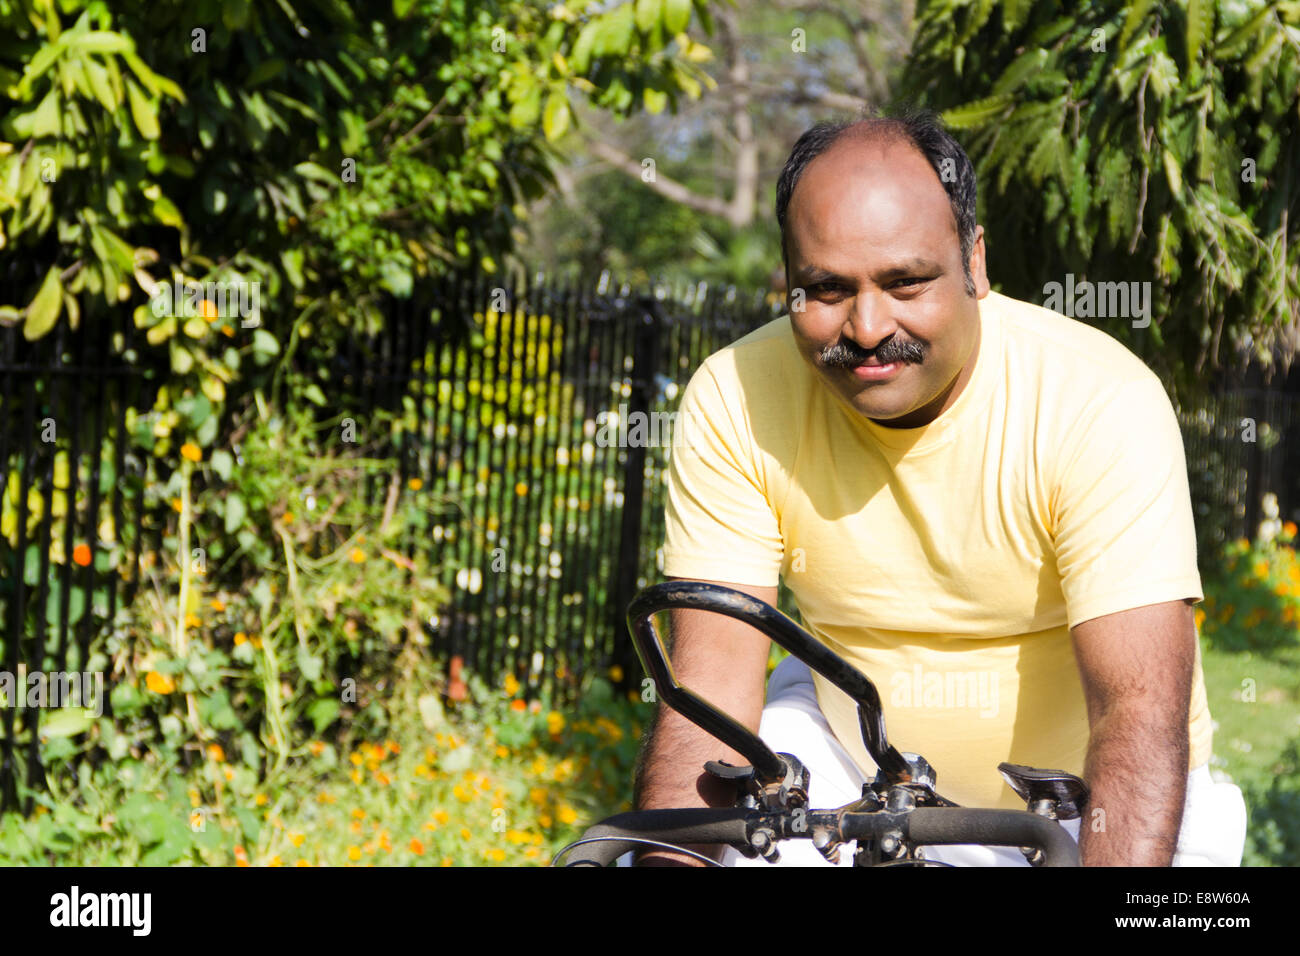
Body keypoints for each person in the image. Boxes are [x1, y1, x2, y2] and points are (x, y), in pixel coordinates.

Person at [629, 108, 1247, 867]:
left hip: (1093, 804)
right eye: (825, 288)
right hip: (859, 775)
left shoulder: (1098, 399)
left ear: (975, 265)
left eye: (906, 282)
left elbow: (1139, 712)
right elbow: (710, 694)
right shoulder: (735, 396)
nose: (865, 325)